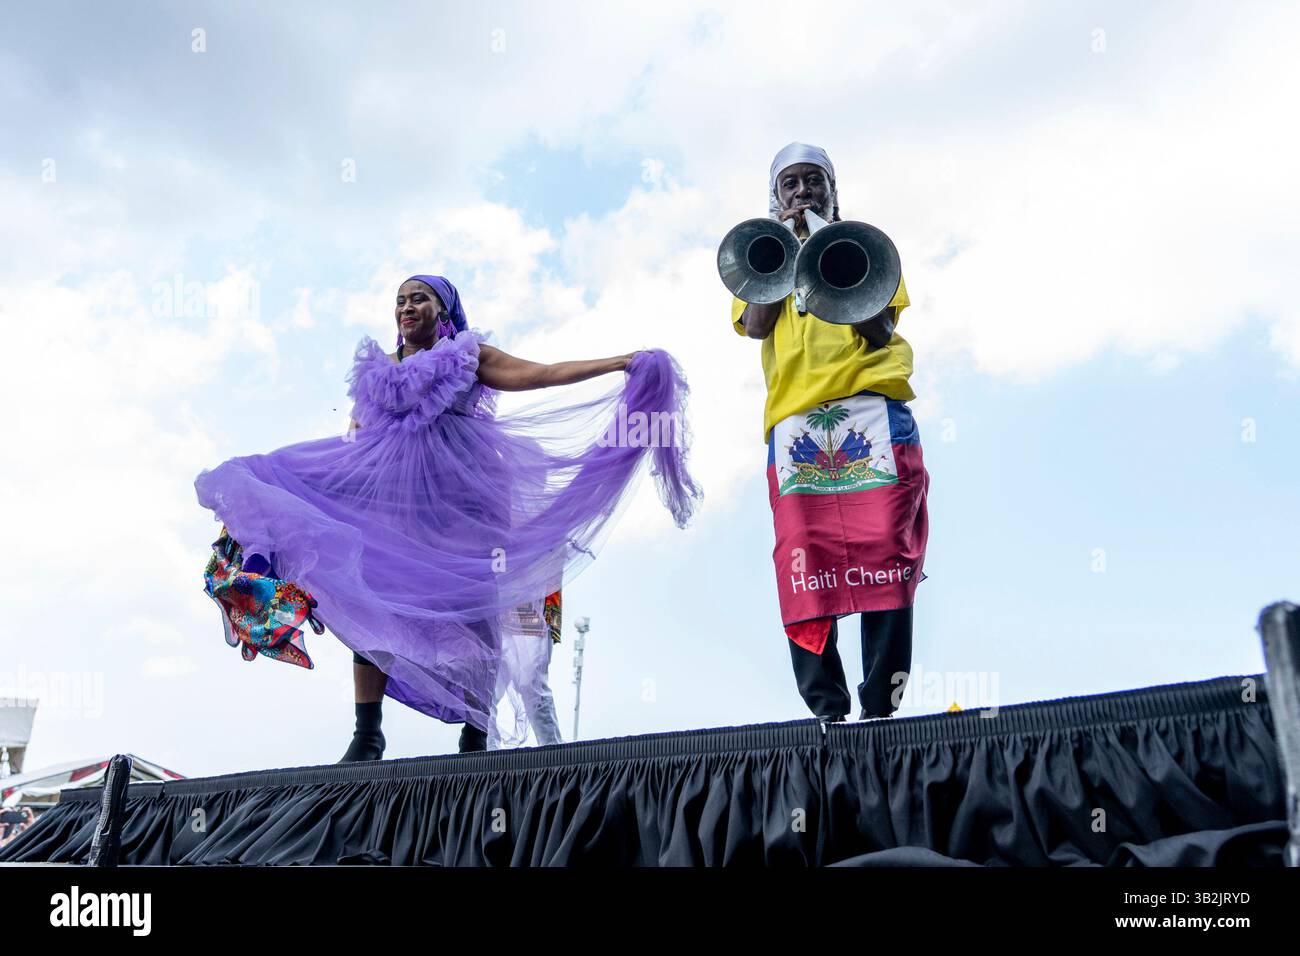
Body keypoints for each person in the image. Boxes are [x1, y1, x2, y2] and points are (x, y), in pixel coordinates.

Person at [197, 274, 700, 760]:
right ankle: (367, 735)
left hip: (465, 502)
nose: (407, 307)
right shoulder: (377, 371)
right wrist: (314, 487)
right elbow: (354, 441)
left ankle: (476, 731)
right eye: (400, 300)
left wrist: (619, 362)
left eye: (419, 298)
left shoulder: (465, 356)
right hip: (396, 505)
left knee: (476, 610)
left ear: (444, 310)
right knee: (372, 597)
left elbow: (539, 375)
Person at [731, 143, 930, 723]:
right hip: (797, 426)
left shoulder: (862, 248)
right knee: (805, 561)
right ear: (776, 196)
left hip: (871, 410)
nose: (802, 193)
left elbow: (878, 327)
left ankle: (880, 707)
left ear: (831, 190)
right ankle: (827, 709)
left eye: (812, 182)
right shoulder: (763, 254)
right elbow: (755, 326)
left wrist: (830, 257)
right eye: (789, 185)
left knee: (887, 553)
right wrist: (785, 252)